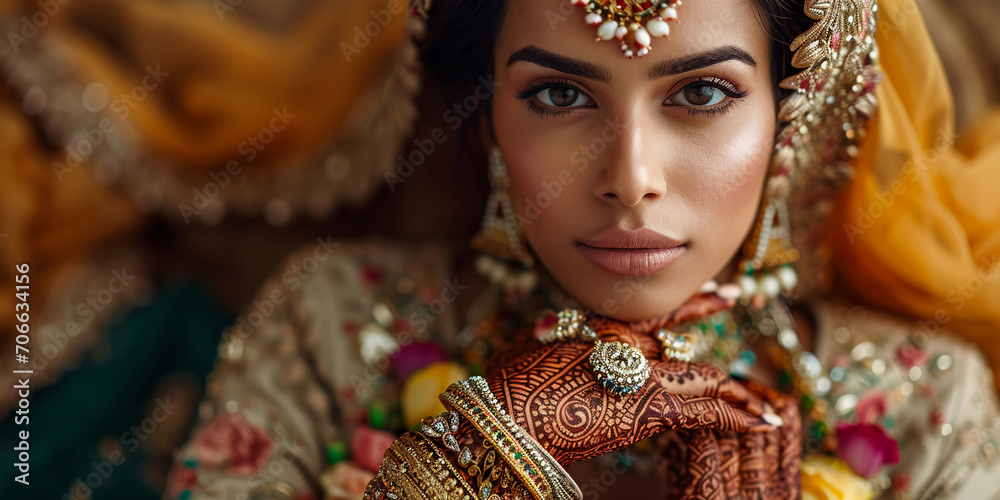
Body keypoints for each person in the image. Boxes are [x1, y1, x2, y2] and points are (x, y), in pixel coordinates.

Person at [164, 0, 1000, 498]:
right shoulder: (336, 323)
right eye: (559, 94)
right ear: (490, 121)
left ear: (791, 117)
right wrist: (480, 454)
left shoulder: (921, 403)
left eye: (702, 93)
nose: (631, 177)